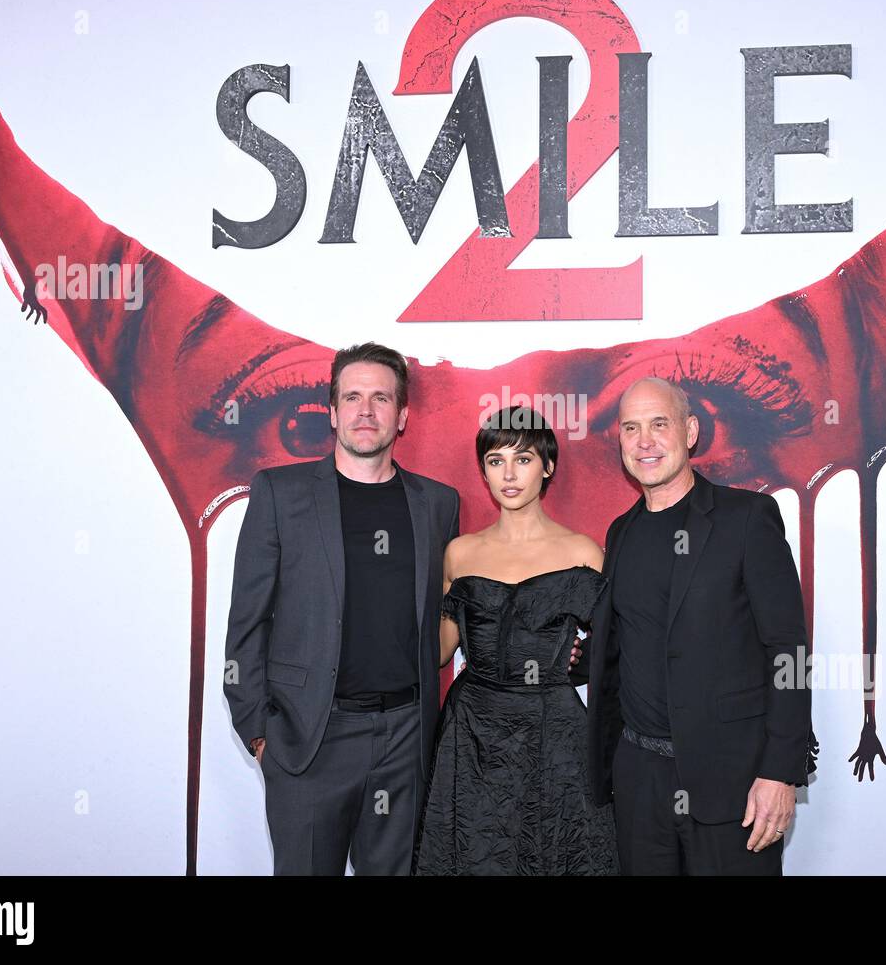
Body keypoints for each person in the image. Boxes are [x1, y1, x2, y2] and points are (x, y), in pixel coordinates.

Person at [223, 342, 460, 875]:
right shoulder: (280, 494)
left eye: (381, 398)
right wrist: (259, 732)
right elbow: (247, 622)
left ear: (402, 417)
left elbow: (456, 610)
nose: (366, 411)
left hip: (405, 739)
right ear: (332, 411)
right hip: (311, 739)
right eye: (352, 396)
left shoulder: (438, 505)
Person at [584, 377, 812, 875]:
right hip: (640, 780)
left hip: (733, 779)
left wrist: (780, 771)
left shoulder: (747, 518)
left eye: (659, 424)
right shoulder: (621, 533)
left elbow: (788, 651)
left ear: (689, 432)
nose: (645, 441)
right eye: (630, 428)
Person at [413, 407, 619, 874]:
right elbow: (441, 651)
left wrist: (577, 659)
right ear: (483, 470)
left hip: (556, 733)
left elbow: (615, 649)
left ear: (547, 467)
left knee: (559, 853)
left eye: (523, 459)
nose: (508, 474)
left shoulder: (582, 552)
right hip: (472, 733)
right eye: (495, 460)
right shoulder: (460, 553)